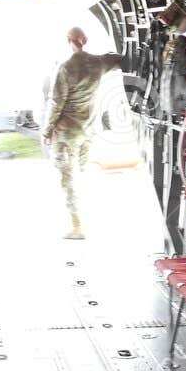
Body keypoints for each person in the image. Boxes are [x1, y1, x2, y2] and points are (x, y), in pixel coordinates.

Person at [43, 26, 123, 239]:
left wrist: (47, 130)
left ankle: (77, 226)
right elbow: (117, 59)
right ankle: (86, 218)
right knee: (82, 174)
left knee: (67, 179)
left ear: (68, 40)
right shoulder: (97, 64)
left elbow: (56, 103)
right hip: (87, 131)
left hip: (66, 132)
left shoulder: (66, 68)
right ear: (85, 40)